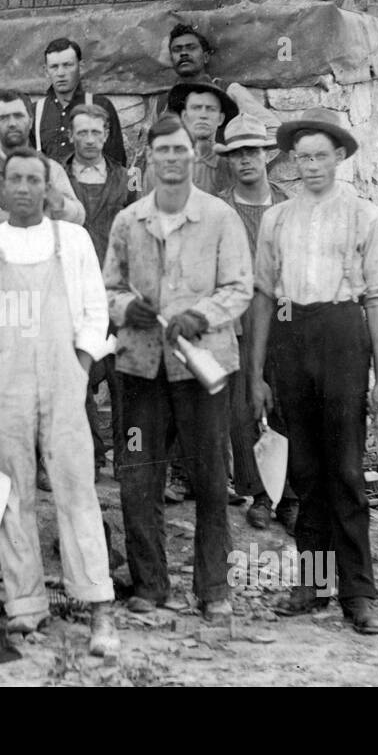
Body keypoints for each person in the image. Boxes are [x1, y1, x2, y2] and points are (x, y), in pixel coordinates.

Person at [0, 146, 119, 656]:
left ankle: (98, 607)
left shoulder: (72, 240)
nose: (24, 188)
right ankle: (25, 604)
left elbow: (96, 310)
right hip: (3, 384)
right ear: (1, 187)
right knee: (12, 493)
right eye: (15, 179)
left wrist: (81, 366)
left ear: (47, 188)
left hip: (62, 378)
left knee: (74, 488)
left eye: (33, 180)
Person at [250, 108, 378, 635]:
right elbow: (264, 295)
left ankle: (358, 592)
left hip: (342, 336)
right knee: (305, 471)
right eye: (302, 156)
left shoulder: (365, 216)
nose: (311, 165)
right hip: (291, 338)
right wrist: (257, 373)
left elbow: (376, 299)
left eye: (320, 155)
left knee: (348, 471)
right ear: (292, 160)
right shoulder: (276, 218)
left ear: (339, 157)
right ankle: (313, 584)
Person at [104, 114, 252, 621]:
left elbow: (239, 286)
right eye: (162, 151)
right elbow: (107, 289)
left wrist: (200, 315)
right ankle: (150, 584)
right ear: (148, 158)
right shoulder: (129, 221)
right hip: (141, 369)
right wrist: (127, 309)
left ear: (194, 156)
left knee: (211, 477)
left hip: (201, 366)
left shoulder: (219, 217)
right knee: (140, 474)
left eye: (180, 151)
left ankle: (214, 587)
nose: (171, 159)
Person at [213, 113, 296, 531]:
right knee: (244, 405)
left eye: (253, 152)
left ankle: (290, 496)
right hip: (238, 322)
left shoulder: (286, 205)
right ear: (228, 160)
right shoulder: (221, 209)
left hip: (284, 318)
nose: (246, 160)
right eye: (237, 154)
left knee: (285, 402)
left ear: (266, 155)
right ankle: (259, 494)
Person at [64, 103, 136, 475]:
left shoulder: (125, 177)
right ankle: (89, 455)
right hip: (73, 288)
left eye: (96, 132)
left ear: (106, 135)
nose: (89, 139)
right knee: (79, 373)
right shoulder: (58, 176)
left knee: (124, 376)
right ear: (72, 135)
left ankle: (127, 458)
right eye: (82, 132)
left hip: (116, 287)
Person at [0, 89, 84, 224]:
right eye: (4, 117)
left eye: (18, 116)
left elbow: (78, 217)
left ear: (31, 121)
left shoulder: (51, 169)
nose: (12, 123)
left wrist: (59, 202)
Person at [34, 37, 126, 166]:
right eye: (54, 67)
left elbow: (117, 163)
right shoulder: (35, 112)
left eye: (67, 65)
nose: (61, 73)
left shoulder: (101, 106)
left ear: (80, 66)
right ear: (46, 71)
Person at [144, 82, 238, 196]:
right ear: (184, 116)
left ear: (221, 118)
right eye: (196, 108)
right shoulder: (160, 164)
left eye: (210, 109)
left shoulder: (230, 165)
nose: (203, 115)